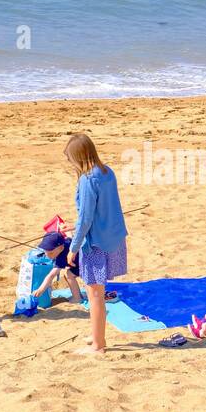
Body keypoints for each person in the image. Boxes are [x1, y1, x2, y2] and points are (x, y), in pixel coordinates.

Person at [64, 134, 128, 355]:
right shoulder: (107, 171)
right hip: (114, 238)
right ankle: (95, 334)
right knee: (97, 292)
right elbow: (99, 210)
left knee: (95, 294)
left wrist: (73, 247)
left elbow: (86, 219)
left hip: (97, 244)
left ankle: (99, 345)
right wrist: (76, 225)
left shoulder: (88, 179)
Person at [34, 228, 84, 304]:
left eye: (51, 253)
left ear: (61, 248)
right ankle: (77, 295)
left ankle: (77, 298)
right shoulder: (66, 242)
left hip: (84, 265)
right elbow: (70, 237)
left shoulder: (61, 257)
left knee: (69, 275)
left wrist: (40, 290)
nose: (48, 256)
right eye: (46, 252)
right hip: (82, 260)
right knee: (69, 273)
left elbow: (51, 275)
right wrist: (67, 232)